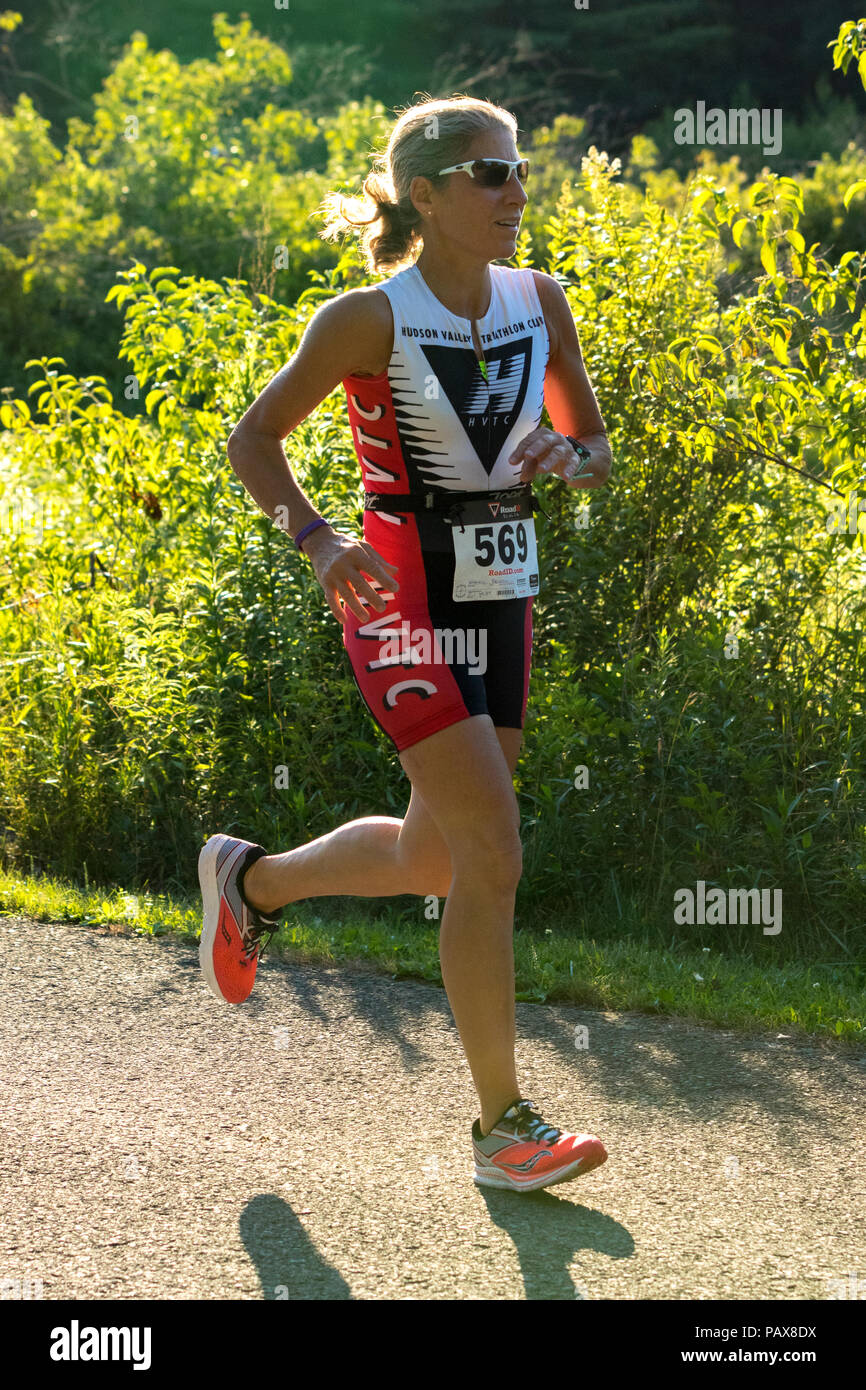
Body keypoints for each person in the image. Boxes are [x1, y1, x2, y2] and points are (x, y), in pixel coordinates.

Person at [198, 94, 613, 1194]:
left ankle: (253, 883)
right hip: (393, 599)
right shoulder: (364, 319)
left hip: (501, 594)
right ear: (423, 194)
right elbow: (254, 440)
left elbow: (591, 441)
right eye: (488, 174)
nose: (514, 192)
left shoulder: (542, 301)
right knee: (494, 851)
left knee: (437, 858)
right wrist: (318, 537)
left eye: (518, 170)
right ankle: (502, 1128)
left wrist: (568, 462)